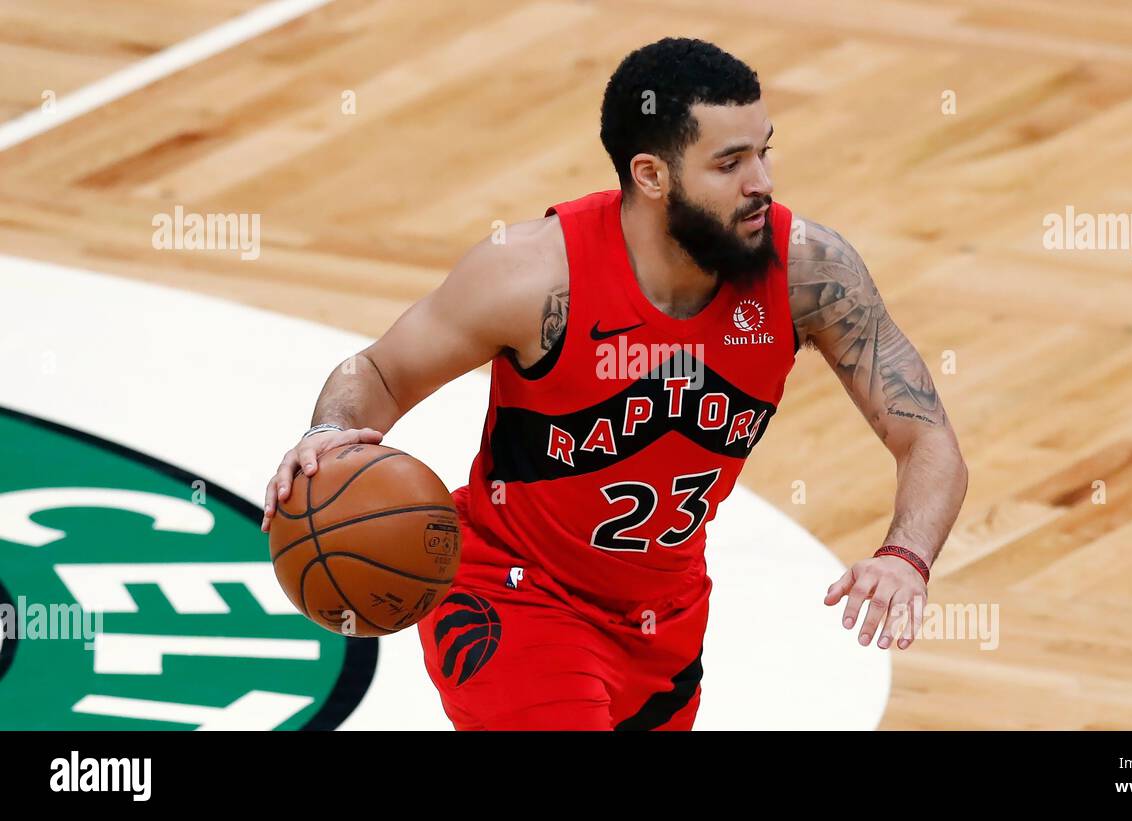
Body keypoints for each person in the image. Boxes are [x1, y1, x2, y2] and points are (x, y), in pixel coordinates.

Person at [261, 37, 968, 730]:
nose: (763, 181)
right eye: (730, 163)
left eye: (764, 148)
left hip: (665, 620)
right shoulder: (532, 277)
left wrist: (906, 556)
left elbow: (925, 435)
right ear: (652, 175)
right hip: (514, 598)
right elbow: (378, 372)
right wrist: (328, 432)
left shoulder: (810, 272)